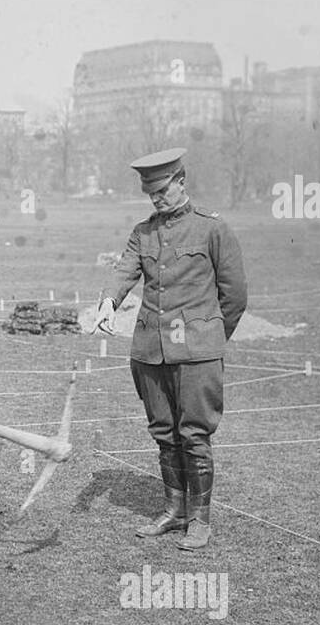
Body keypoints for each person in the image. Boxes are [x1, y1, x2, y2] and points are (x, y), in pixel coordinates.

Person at [85, 148, 247, 549]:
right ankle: (174, 511)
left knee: (194, 434)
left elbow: (235, 297)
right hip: (149, 353)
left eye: (163, 190)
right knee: (163, 433)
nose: (157, 199)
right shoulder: (143, 232)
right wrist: (108, 301)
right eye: (151, 193)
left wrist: (207, 337)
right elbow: (124, 270)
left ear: (181, 181)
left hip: (197, 355)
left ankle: (200, 521)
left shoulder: (213, 229)